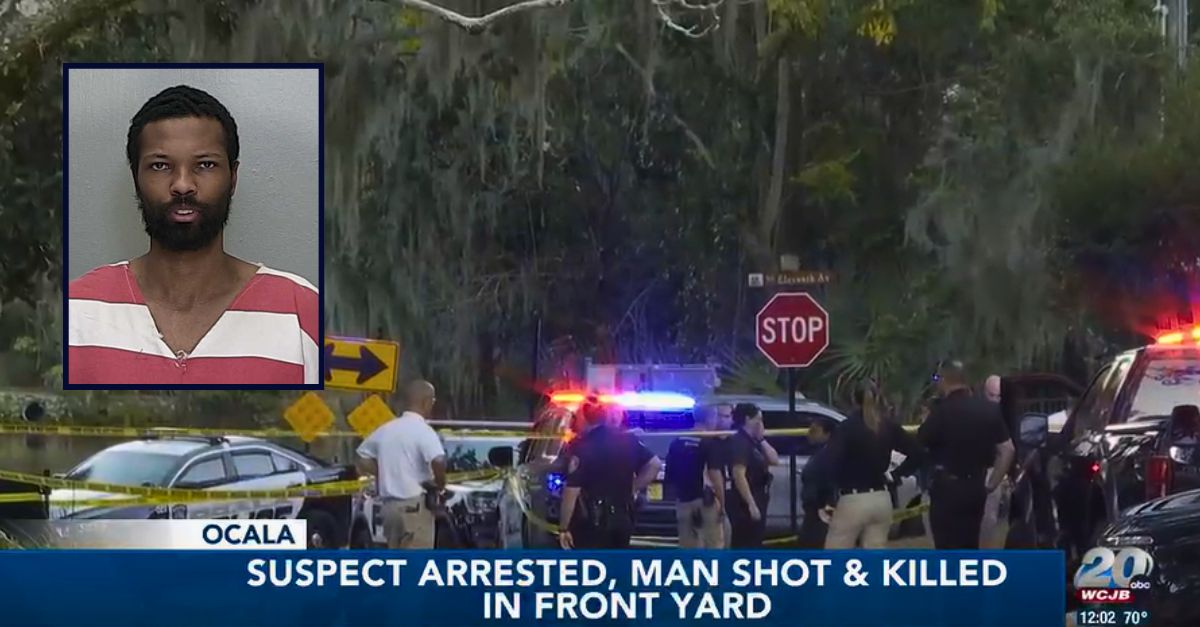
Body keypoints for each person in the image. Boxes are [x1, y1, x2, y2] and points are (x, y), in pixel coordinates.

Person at [67, 85, 319, 385]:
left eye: (205, 165)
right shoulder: (75, 310)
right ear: (136, 178)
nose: (183, 185)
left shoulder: (302, 309)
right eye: (160, 166)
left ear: (233, 177)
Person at [919, 360, 1016, 549]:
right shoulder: (989, 410)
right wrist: (993, 482)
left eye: (938, 378)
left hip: (947, 489)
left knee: (946, 546)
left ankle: (951, 576)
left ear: (945, 380)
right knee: (970, 543)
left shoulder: (941, 412)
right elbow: (1008, 449)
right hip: (976, 486)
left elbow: (921, 442)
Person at [824, 382, 923, 549]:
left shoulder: (846, 428)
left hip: (852, 499)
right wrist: (896, 474)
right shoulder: (887, 426)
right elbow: (918, 453)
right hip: (881, 498)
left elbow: (831, 463)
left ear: (853, 400)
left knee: (836, 555)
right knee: (875, 556)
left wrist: (826, 498)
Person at [559, 397, 662, 549]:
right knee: (618, 566)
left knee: (594, 568)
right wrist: (633, 487)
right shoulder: (628, 440)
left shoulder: (583, 446)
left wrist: (563, 528)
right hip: (623, 518)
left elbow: (571, 492)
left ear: (585, 419)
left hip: (592, 523)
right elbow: (655, 464)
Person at [356, 380, 446, 549]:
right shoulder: (423, 431)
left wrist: (381, 472)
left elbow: (362, 457)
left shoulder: (386, 429)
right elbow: (438, 460)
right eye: (432, 401)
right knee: (416, 565)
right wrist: (439, 483)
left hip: (389, 509)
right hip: (414, 507)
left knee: (397, 562)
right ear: (426, 402)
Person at [664, 403, 731, 548]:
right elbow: (715, 474)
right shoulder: (709, 442)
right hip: (707, 503)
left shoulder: (677, 442)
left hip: (683, 501)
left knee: (688, 548)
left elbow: (670, 473)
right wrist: (722, 503)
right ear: (709, 418)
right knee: (713, 547)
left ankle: (692, 571)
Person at [726, 403, 779, 548]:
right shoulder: (740, 442)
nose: (761, 423)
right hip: (744, 502)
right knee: (746, 542)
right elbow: (739, 474)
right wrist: (751, 504)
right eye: (758, 419)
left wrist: (762, 440)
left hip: (760, 493)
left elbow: (774, 460)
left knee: (755, 541)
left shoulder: (754, 442)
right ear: (748, 419)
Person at [798, 415, 838, 548]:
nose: (810, 434)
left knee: (814, 544)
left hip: (820, 510)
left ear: (827, 434)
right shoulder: (819, 453)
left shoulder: (829, 455)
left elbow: (831, 483)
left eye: (815, 430)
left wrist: (826, 506)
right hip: (812, 509)